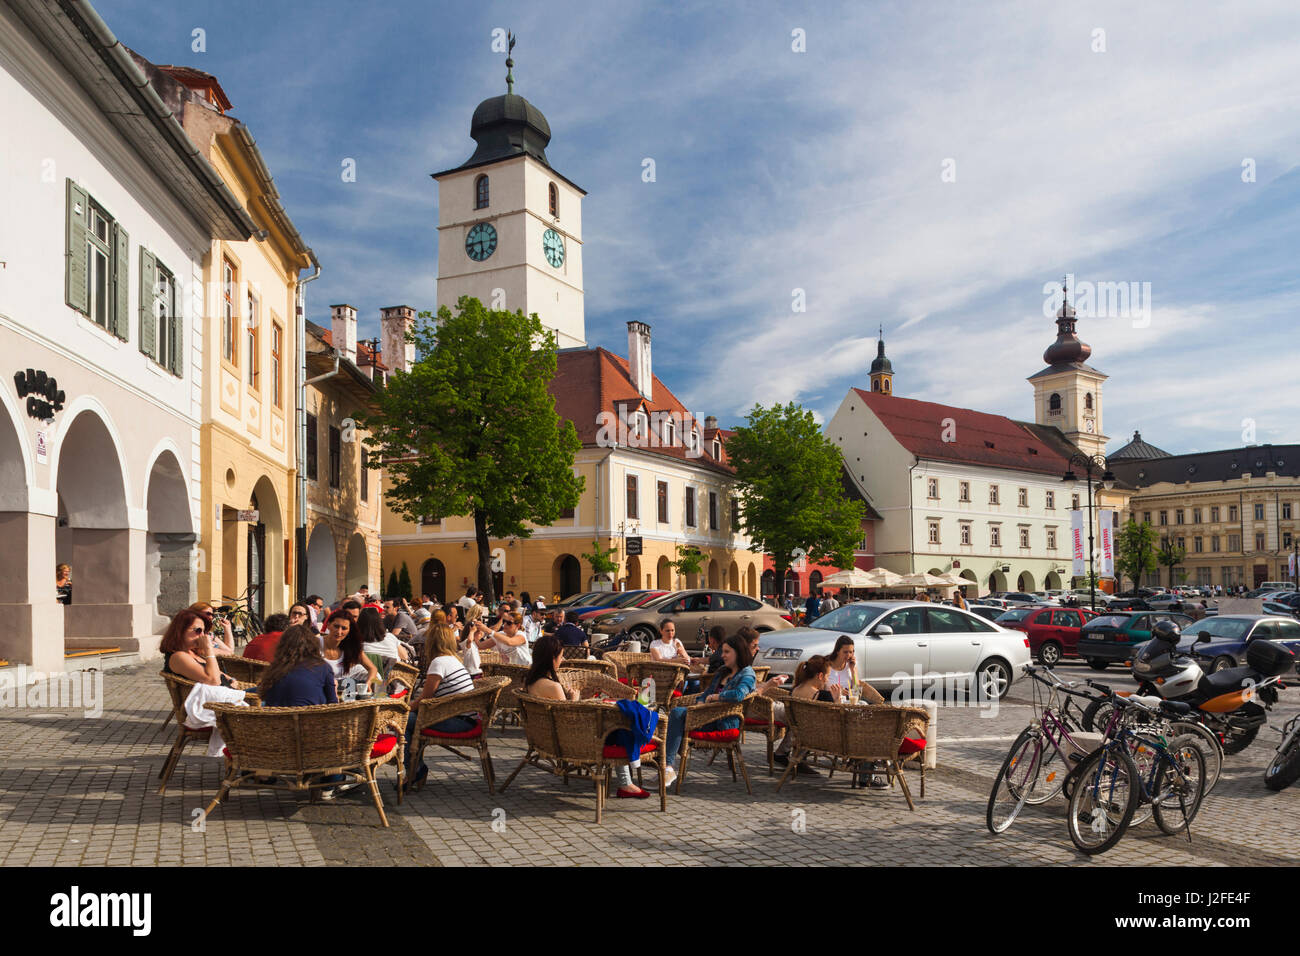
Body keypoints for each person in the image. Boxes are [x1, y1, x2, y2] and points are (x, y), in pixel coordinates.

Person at [523, 634, 650, 799]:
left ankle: (627, 783)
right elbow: (569, 719)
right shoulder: (553, 686)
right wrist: (576, 700)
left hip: (547, 737)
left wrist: (576, 699)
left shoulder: (529, 682)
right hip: (573, 741)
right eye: (561, 656)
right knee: (622, 730)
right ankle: (626, 784)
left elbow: (560, 712)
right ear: (551, 659)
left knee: (619, 729)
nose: (563, 660)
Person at [662, 633, 756, 789]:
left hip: (723, 722)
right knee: (676, 714)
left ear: (738, 652)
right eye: (723, 651)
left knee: (677, 714)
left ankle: (666, 763)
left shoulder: (747, 673)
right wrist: (700, 703)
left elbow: (739, 694)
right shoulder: (722, 671)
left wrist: (716, 697)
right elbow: (706, 694)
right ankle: (667, 765)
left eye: (727, 652)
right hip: (705, 716)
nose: (723, 655)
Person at [405, 616, 481, 790]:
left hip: (458, 722)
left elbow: (425, 699)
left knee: (404, 721)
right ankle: (416, 768)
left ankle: (414, 769)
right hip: (466, 718)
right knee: (409, 720)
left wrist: (403, 708)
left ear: (432, 643)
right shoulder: (453, 660)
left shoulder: (439, 663)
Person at [773, 655, 835, 774]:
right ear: (820, 676)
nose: (827, 680)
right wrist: (836, 699)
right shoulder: (823, 696)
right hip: (812, 736)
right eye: (827, 676)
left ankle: (787, 756)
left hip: (798, 731)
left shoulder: (796, 689)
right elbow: (832, 718)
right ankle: (796, 759)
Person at [258, 624, 338, 707]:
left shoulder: (276, 668)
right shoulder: (324, 667)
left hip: (276, 718)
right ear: (312, 644)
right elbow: (333, 705)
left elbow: (264, 695)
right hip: (312, 718)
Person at [159, 609, 235, 687]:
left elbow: (228, 653)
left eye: (204, 631)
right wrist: (208, 648)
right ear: (181, 631)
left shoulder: (194, 651)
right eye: (198, 630)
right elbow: (214, 681)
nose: (202, 635)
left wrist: (231, 680)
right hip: (218, 698)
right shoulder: (178, 657)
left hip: (230, 693)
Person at [320, 610, 377, 693]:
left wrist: (368, 683)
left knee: (378, 679)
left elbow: (372, 668)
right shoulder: (315, 643)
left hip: (341, 691)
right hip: (319, 689)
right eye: (336, 626)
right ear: (328, 625)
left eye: (344, 628)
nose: (339, 632)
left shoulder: (351, 647)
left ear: (349, 630)